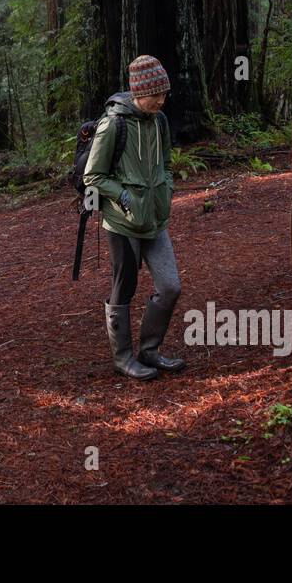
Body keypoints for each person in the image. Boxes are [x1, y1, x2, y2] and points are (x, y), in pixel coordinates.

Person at [81, 55, 186, 380]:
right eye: (157, 94)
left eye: (165, 94)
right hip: (123, 223)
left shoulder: (160, 122)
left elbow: (166, 164)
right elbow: (92, 176)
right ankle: (123, 358)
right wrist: (124, 196)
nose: (162, 100)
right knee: (123, 289)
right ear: (140, 91)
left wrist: (166, 190)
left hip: (155, 220)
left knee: (170, 287)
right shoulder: (114, 123)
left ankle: (150, 351)